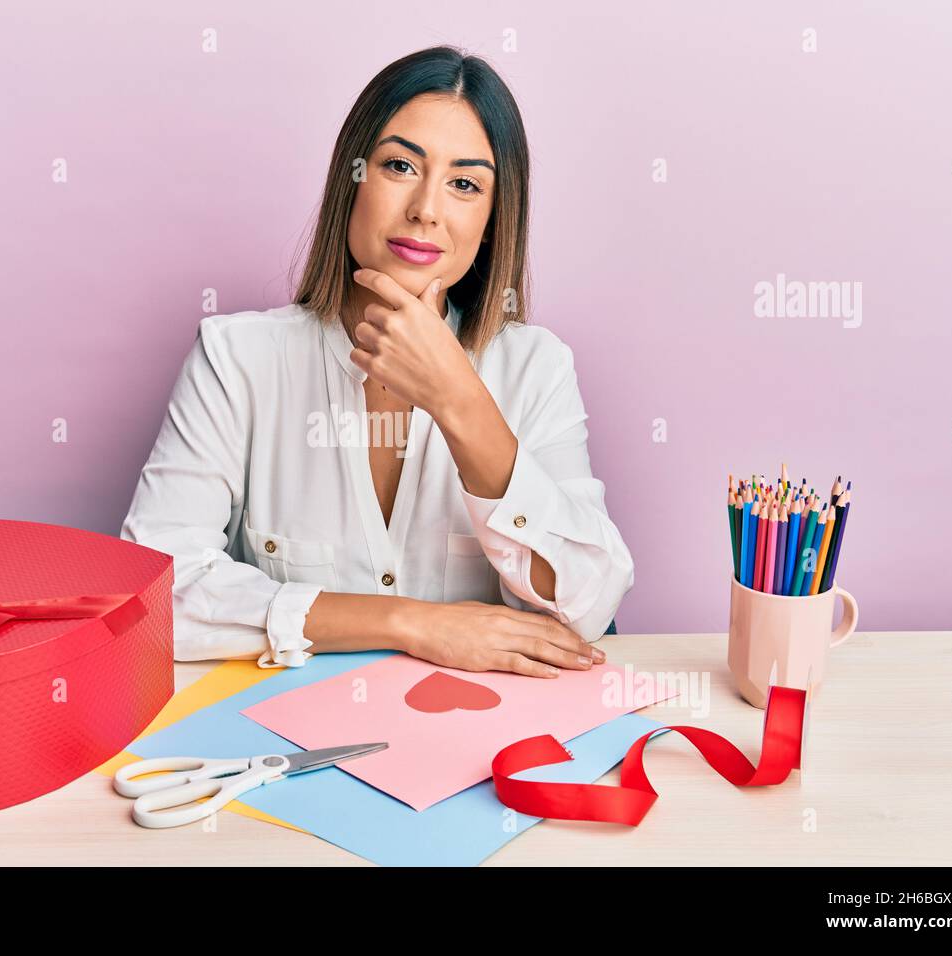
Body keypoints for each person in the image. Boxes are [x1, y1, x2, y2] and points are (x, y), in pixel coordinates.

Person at [121, 45, 633, 678]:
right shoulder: (236, 359)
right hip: (289, 733)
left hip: (479, 747)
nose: (426, 208)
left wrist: (457, 399)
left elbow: (588, 604)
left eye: (465, 184)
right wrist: (410, 624)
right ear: (352, 179)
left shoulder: (537, 367)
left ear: (494, 217)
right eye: (398, 166)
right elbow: (158, 594)